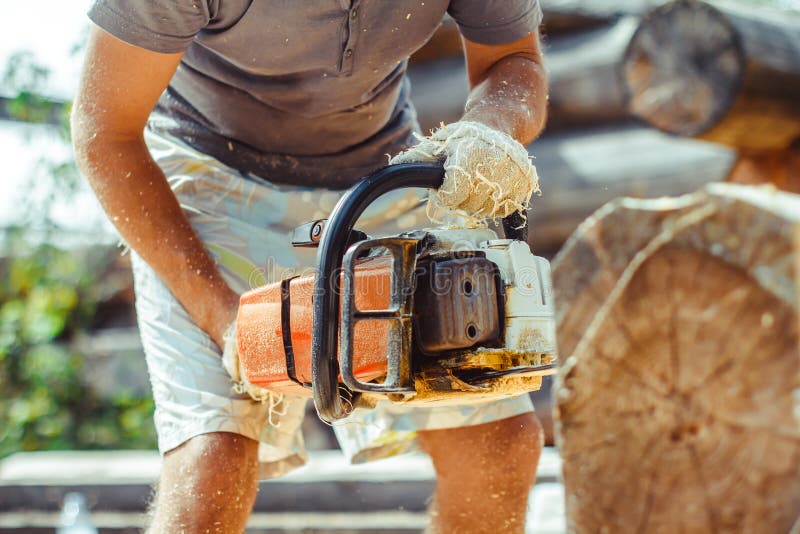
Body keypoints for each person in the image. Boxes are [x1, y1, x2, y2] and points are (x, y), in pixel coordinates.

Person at [71, 2, 549, 532]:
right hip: (212, 182)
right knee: (211, 464)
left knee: (499, 447)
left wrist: (490, 128)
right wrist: (223, 318)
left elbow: (515, 61)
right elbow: (103, 131)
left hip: (381, 175)